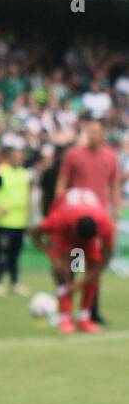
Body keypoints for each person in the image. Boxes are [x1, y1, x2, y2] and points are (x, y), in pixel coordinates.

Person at [55, 119, 121, 324]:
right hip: (77, 221)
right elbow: (62, 183)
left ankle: (91, 312)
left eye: (96, 132)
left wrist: (115, 217)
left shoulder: (110, 157)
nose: (92, 135)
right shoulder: (74, 155)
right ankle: (68, 310)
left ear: (103, 134)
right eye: (89, 131)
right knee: (74, 264)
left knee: (94, 266)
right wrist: (61, 208)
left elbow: (115, 188)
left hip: (98, 224)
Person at [30, 187, 115, 334]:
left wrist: (79, 284)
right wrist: (51, 254)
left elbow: (104, 260)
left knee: (92, 268)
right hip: (66, 230)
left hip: (84, 228)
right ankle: (65, 318)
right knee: (61, 272)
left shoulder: (105, 224)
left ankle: (84, 319)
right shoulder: (59, 219)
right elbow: (34, 231)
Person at [0, 142, 32, 295]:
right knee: (2, 254)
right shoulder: (2, 173)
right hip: (4, 222)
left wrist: (29, 211)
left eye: (21, 157)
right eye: (16, 157)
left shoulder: (24, 174)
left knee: (15, 255)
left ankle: (15, 282)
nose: (19, 160)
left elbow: (27, 196)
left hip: (19, 222)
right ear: (10, 158)